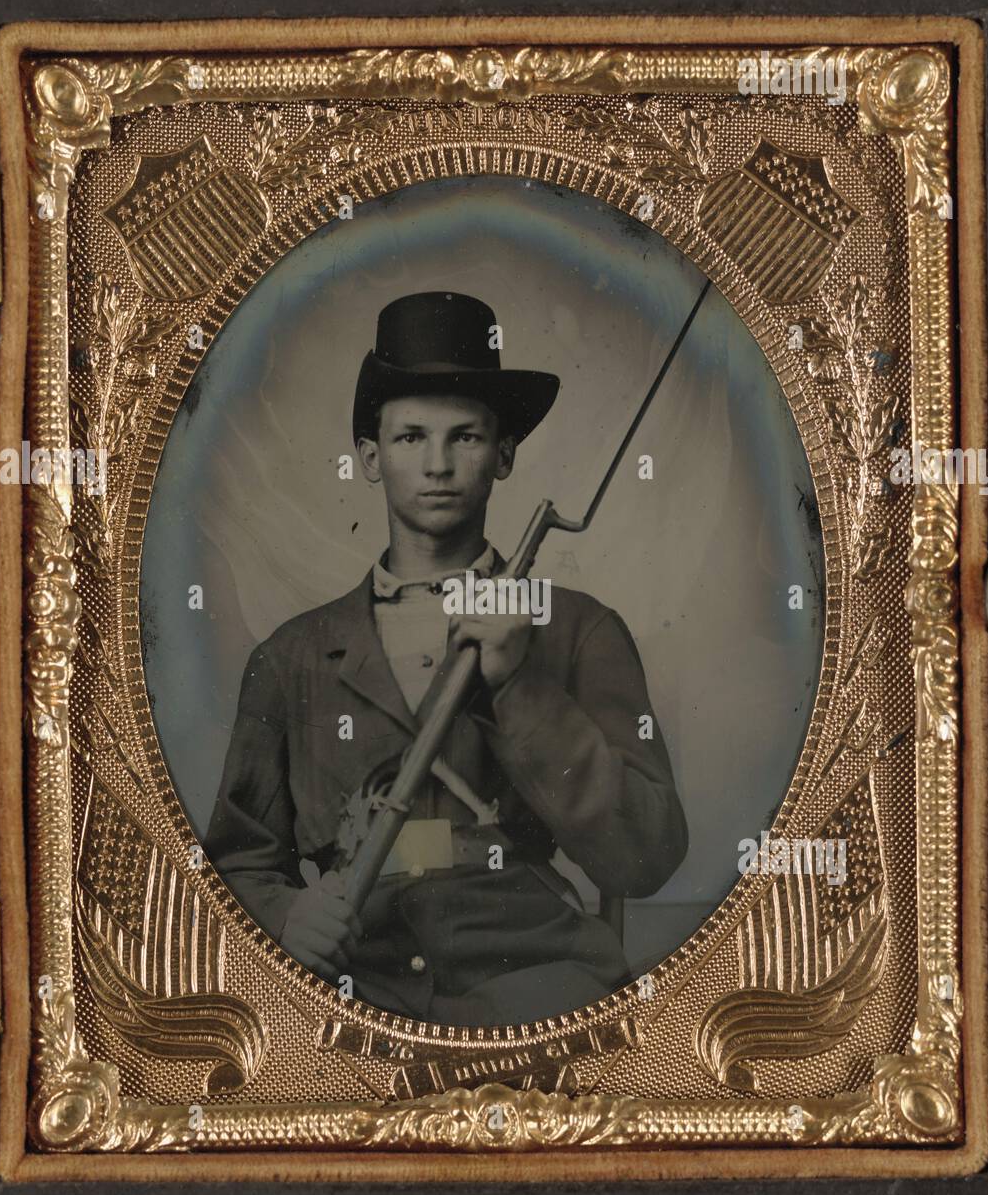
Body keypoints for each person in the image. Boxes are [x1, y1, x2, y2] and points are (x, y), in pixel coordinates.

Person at [206, 291, 688, 1024]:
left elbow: (647, 856)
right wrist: (284, 917)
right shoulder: (290, 657)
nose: (436, 464)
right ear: (370, 457)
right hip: (355, 977)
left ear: (504, 454)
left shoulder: (578, 630)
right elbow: (239, 860)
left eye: (464, 437)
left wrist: (519, 683)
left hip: (534, 975)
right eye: (409, 439)